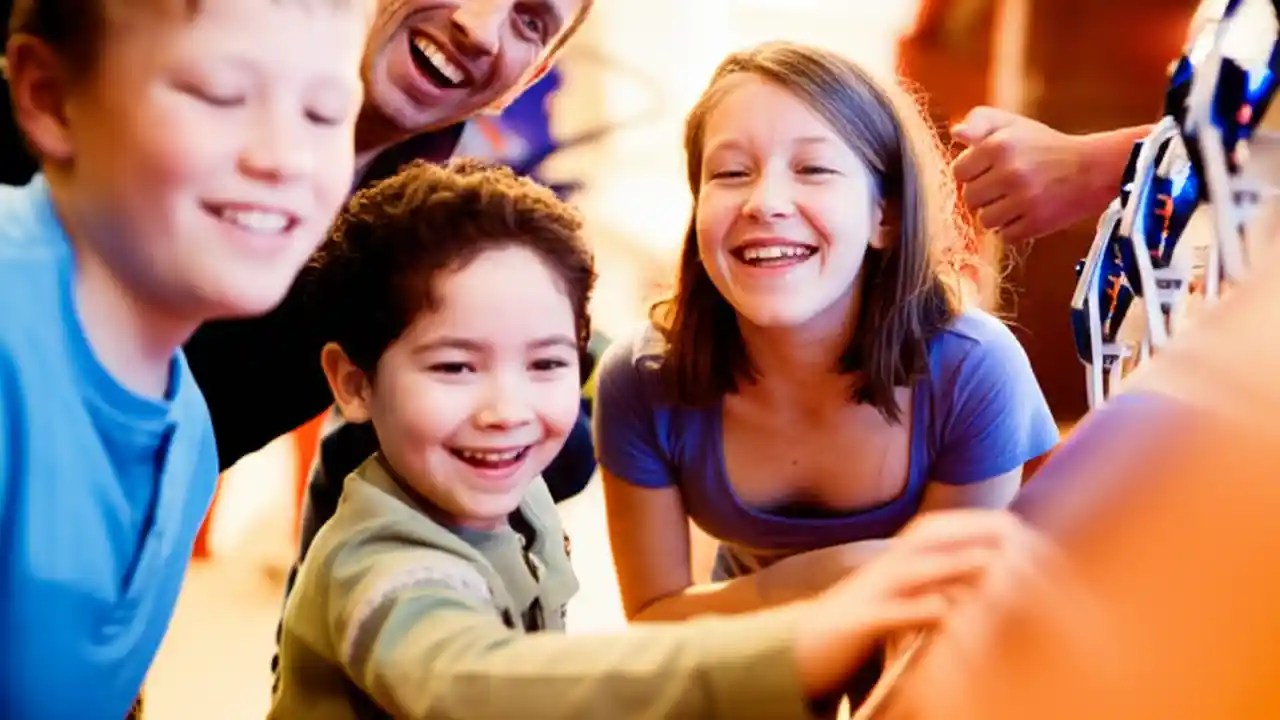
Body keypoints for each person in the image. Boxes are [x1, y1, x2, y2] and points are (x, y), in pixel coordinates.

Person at [271, 157, 1046, 720]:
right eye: (453, 366)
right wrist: (801, 639)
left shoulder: (508, 489)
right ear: (353, 383)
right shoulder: (380, 566)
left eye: (546, 363)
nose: (507, 410)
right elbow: (475, 684)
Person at [592, 41, 1058, 701]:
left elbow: (940, 614)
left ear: (885, 217)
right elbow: (654, 621)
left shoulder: (973, 369)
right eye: (729, 173)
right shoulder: (639, 378)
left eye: (812, 168)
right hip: (756, 632)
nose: (765, 202)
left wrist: (853, 592)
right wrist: (835, 573)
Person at [0, 0, 372, 716]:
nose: (282, 157)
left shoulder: (187, 425)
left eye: (325, 114)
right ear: (49, 97)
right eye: (217, 96)